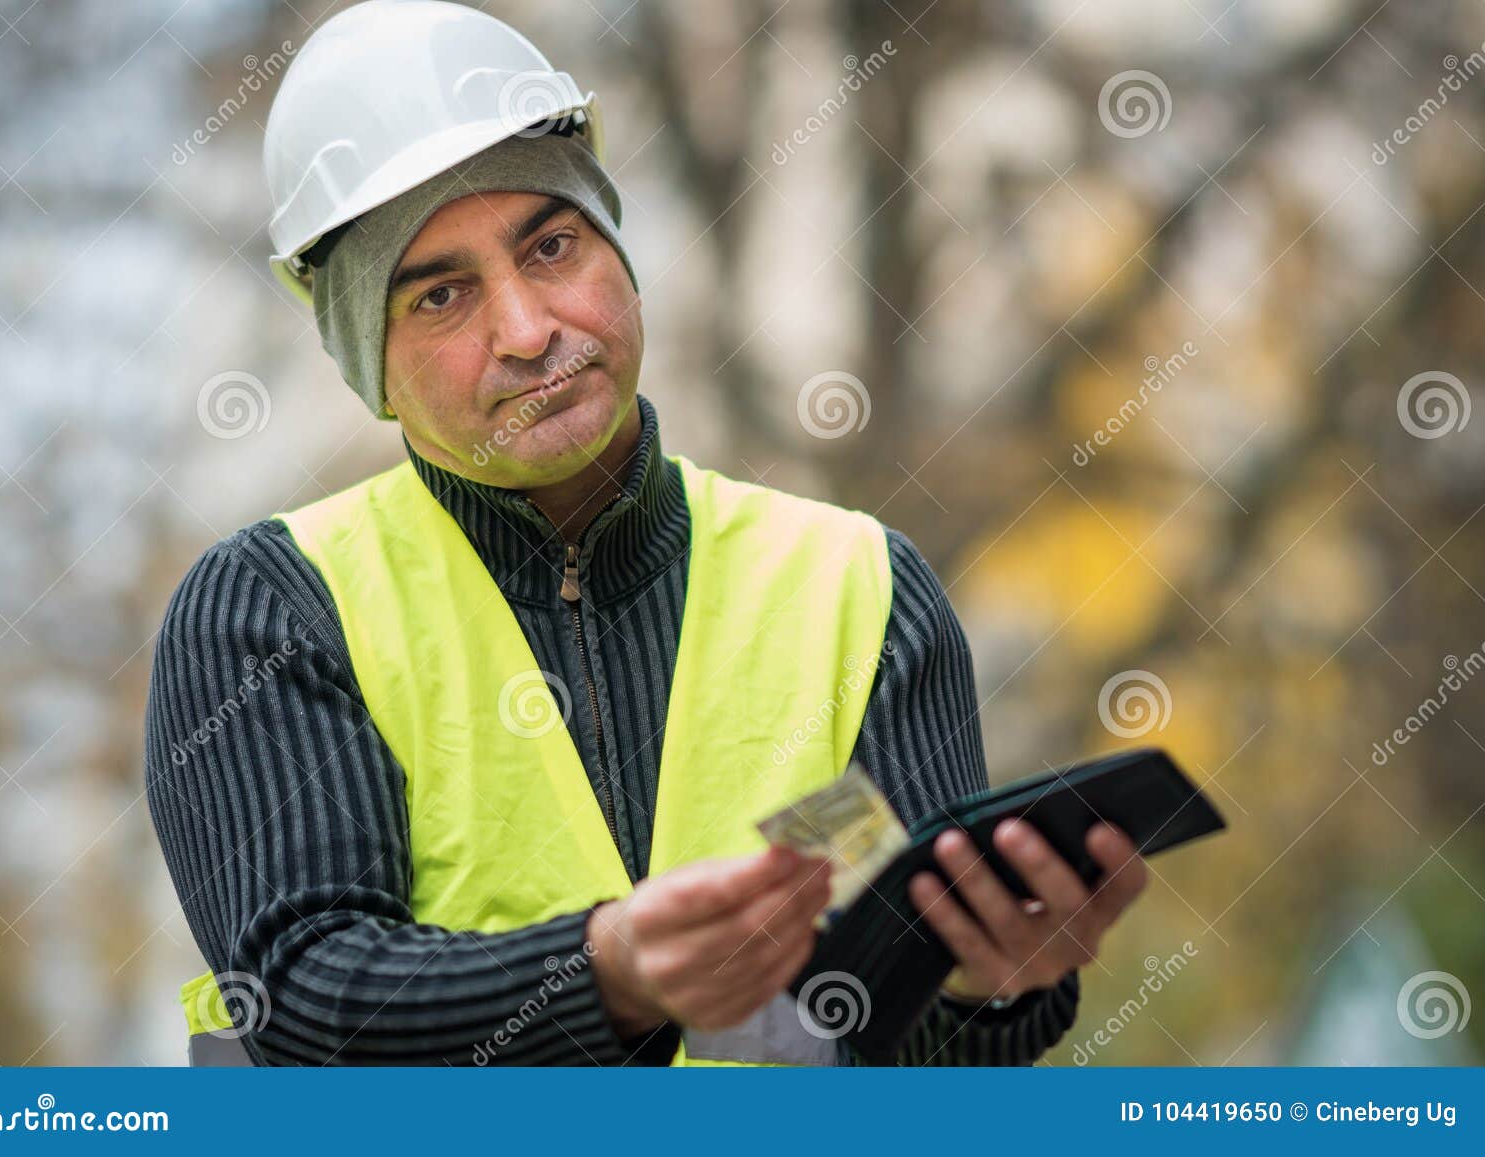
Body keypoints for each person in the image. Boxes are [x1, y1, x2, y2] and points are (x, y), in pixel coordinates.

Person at [144, 0, 1148, 1067]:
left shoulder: (859, 589)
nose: (529, 330)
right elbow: (303, 999)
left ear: (618, 249)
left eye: (552, 244)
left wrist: (989, 989)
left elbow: (914, 1070)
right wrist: (608, 974)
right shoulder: (273, 610)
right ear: (365, 357)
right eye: (441, 294)